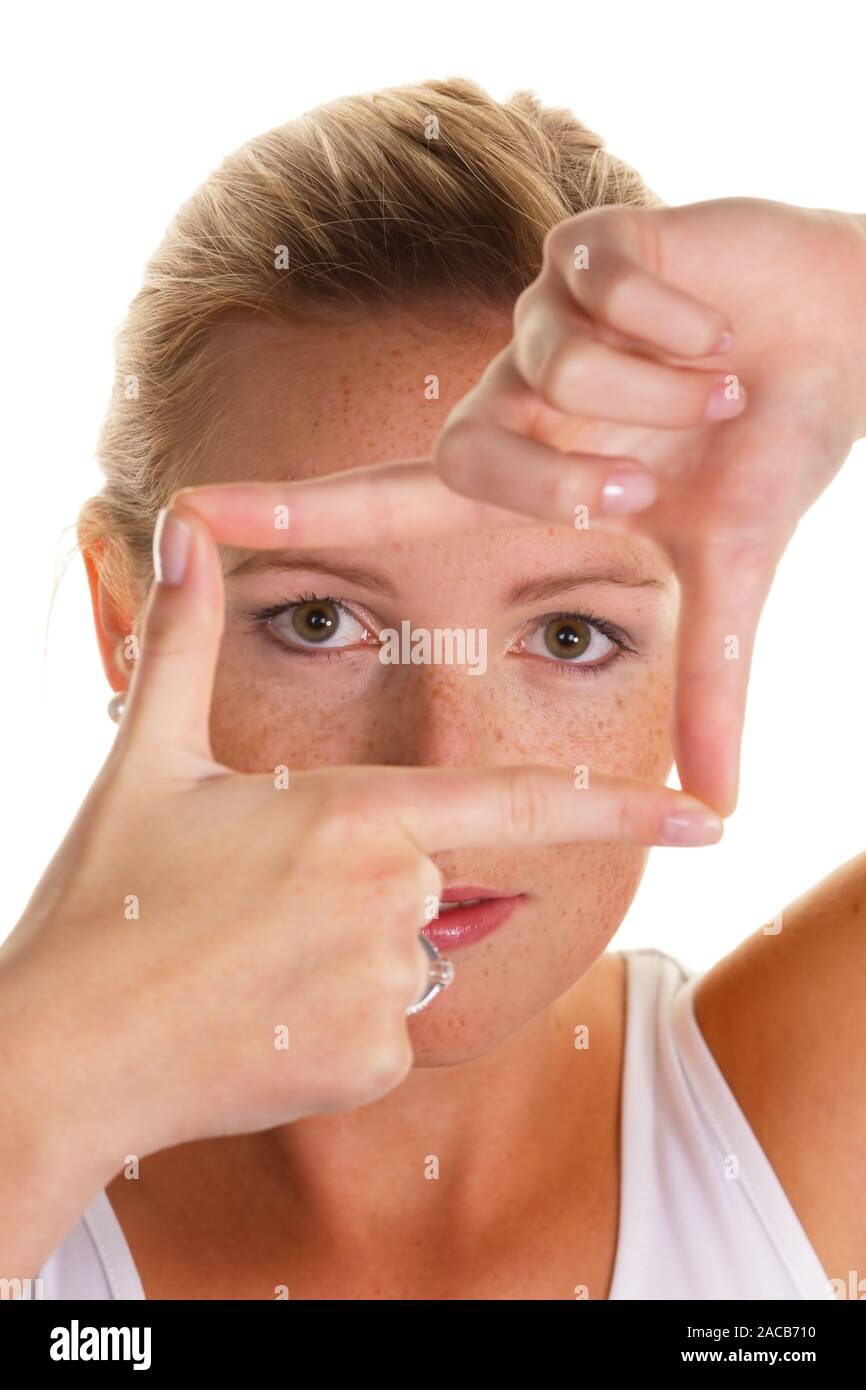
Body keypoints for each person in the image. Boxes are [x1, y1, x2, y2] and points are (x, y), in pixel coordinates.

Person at [2, 76, 864, 1301]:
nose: (443, 774)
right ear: (121, 623)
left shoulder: (812, 1127)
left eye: (569, 635)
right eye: (317, 621)